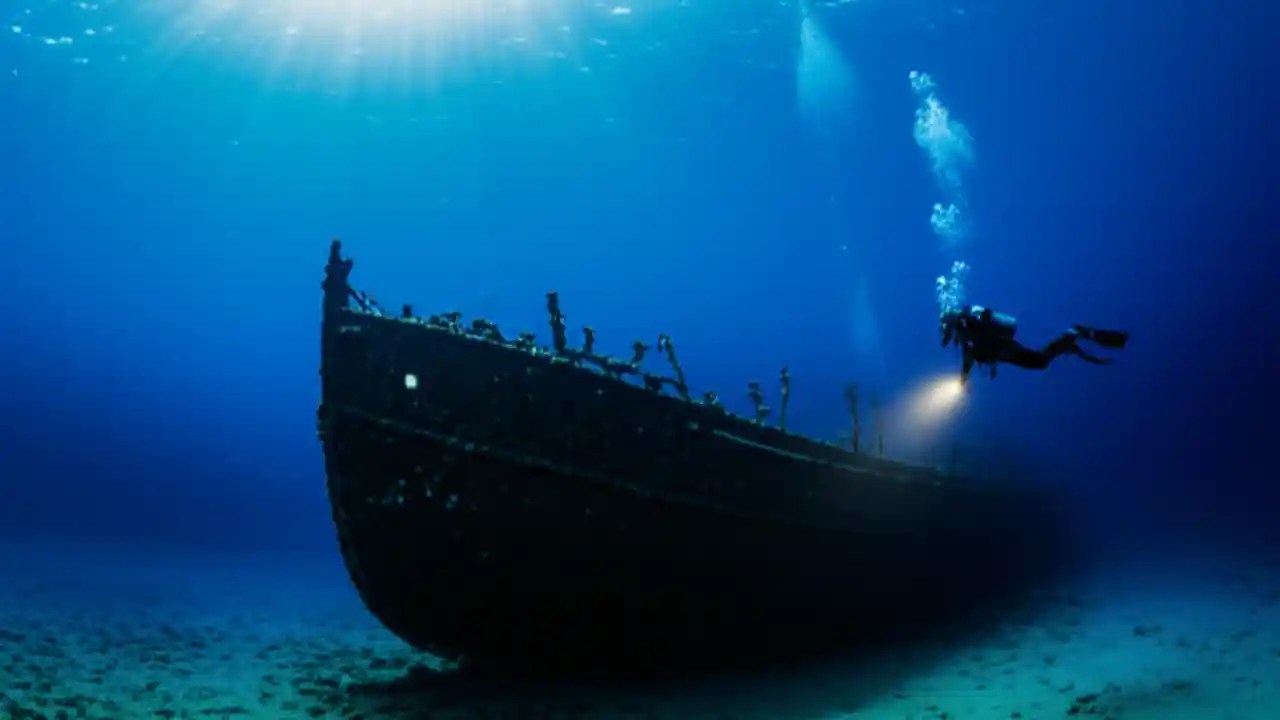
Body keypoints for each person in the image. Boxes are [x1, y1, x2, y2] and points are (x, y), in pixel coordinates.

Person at [939, 304, 1128, 383]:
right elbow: (969, 355)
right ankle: (1069, 340)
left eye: (948, 331)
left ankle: (1073, 335)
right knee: (1041, 361)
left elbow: (970, 352)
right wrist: (964, 377)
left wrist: (964, 376)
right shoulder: (966, 336)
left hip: (1007, 350)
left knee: (1041, 361)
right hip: (1006, 352)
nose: (950, 337)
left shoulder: (967, 328)